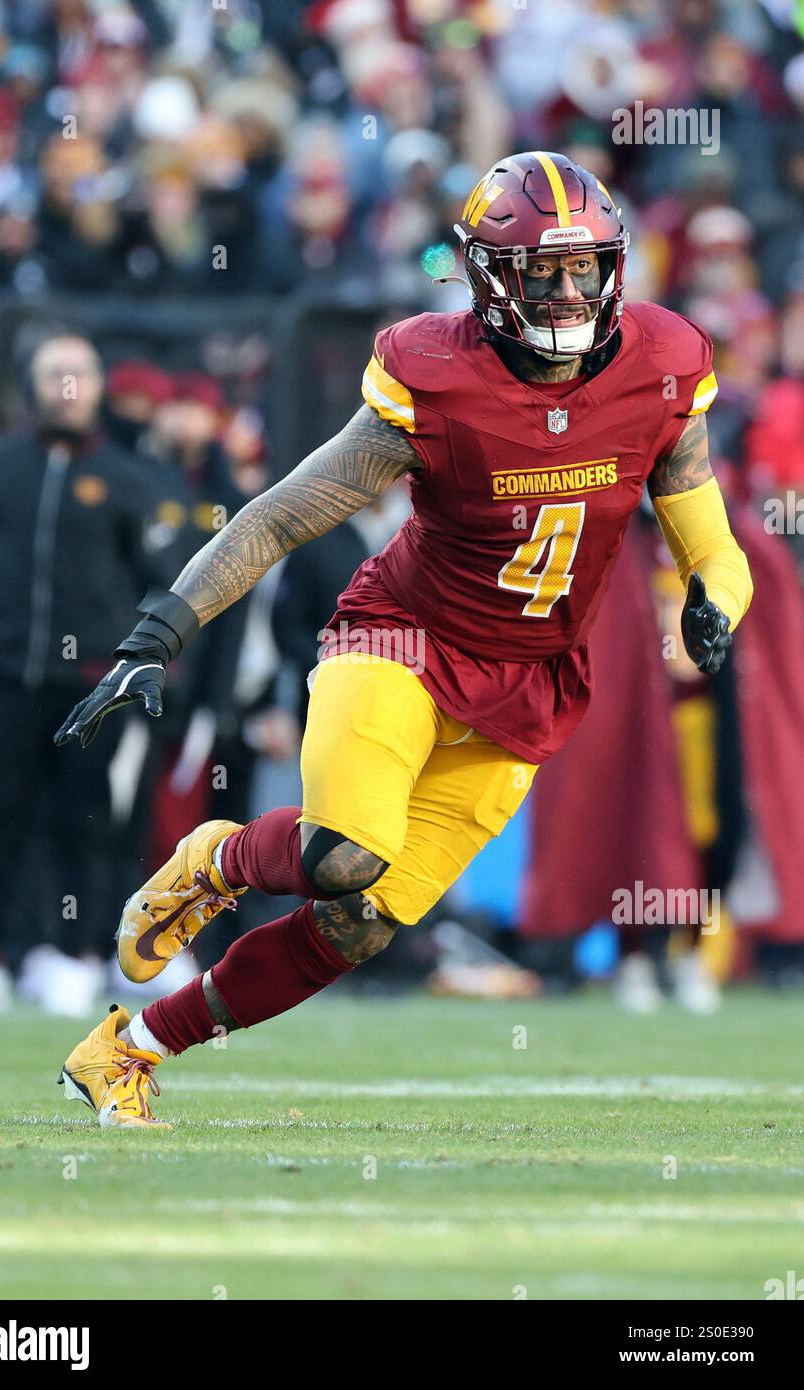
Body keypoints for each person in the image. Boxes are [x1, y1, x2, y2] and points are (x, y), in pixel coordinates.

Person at [52, 153, 753, 1127]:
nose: (563, 289)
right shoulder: (436, 375)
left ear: (614, 267)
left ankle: (127, 1049)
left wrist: (715, 599)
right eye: (537, 270)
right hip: (402, 640)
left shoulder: (661, 364)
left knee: (359, 924)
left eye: (582, 267)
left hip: (533, 680)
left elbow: (710, 538)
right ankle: (214, 863)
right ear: (482, 275)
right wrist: (155, 633)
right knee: (344, 855)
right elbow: (277, 516)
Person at [0, 331, 170, 1017]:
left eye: (79, 373)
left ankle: (76, 956)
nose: (66, 386)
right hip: (10, 674)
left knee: (88, 822)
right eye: (53, 373)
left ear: (98, 386)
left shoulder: (131, 480)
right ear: (32, 385)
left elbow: (157, 585)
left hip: (94, 683)